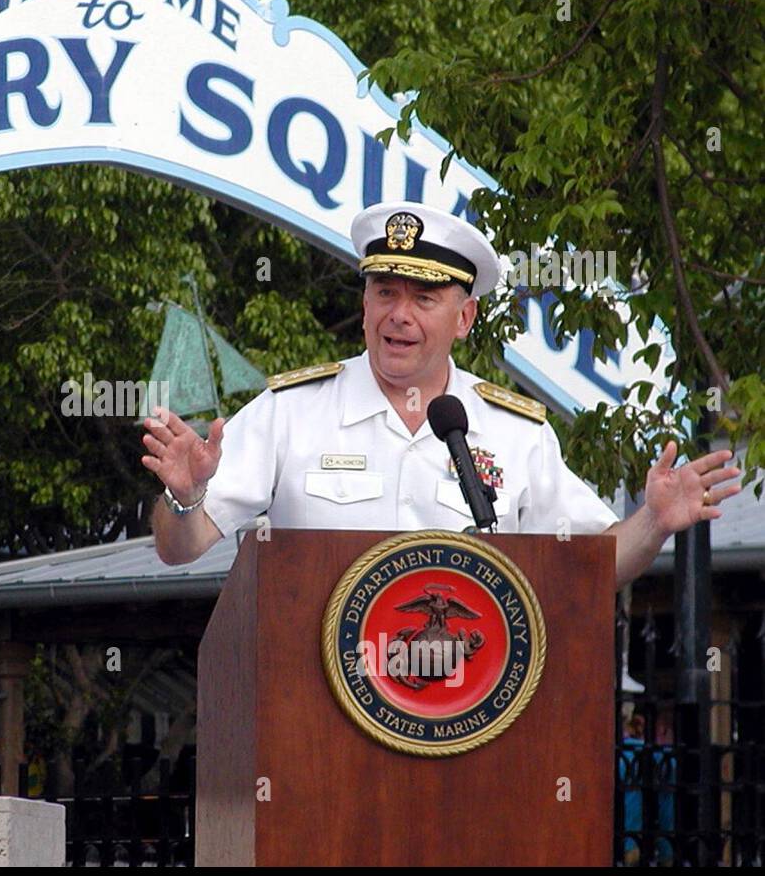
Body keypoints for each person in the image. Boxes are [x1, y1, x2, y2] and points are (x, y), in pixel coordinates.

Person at [140, 202, 740, 587]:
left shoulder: (515, 432)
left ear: (464, 318)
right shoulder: (289, 411)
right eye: (384, 293)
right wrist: (186, 497)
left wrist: (653, 522)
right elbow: (178, 548)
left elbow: (587, 566)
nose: (398, 316)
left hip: (464, 722)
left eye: (423, 299)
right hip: (311, 729)